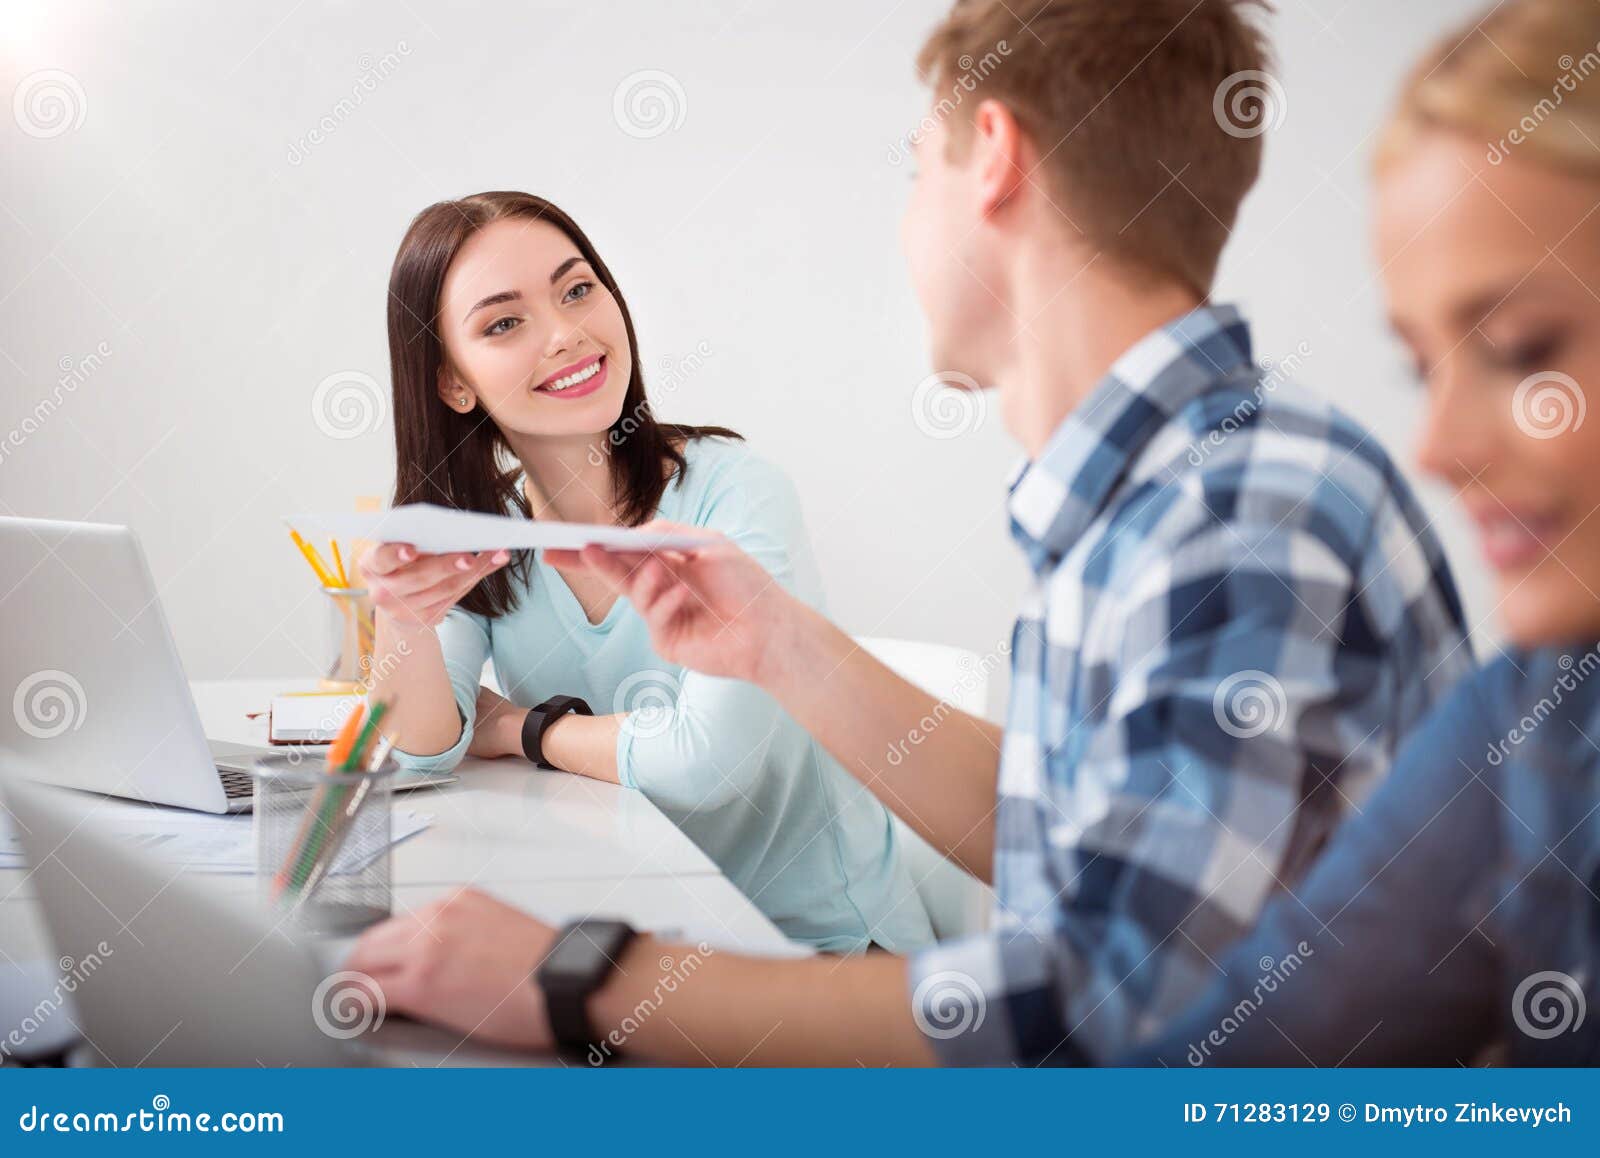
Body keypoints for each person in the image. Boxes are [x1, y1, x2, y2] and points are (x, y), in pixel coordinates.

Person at [346, 0, 1471, 1064]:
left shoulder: (1230, 515)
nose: (903, 222)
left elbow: (1106, 1010)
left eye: (914, 168)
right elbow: (1059, 830)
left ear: (995, 160)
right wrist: (782, 647)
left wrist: (585, 980)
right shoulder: (1156, 498)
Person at [1117, 0, 1600, 1066]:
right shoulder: (1538, 711)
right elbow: (1234, 1070)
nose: (1437, 448)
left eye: (1524, 349)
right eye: (1421, 368)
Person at [359, 191, 934, 954]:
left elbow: (708, 764)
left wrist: (520, 728)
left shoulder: (735, 494)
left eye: (577, 290)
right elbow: (418, 753)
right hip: (641, 939)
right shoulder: (486, 538)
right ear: (452, 384)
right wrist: (402, 614)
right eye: (504, 323)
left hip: (824, 955)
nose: (566, 334)